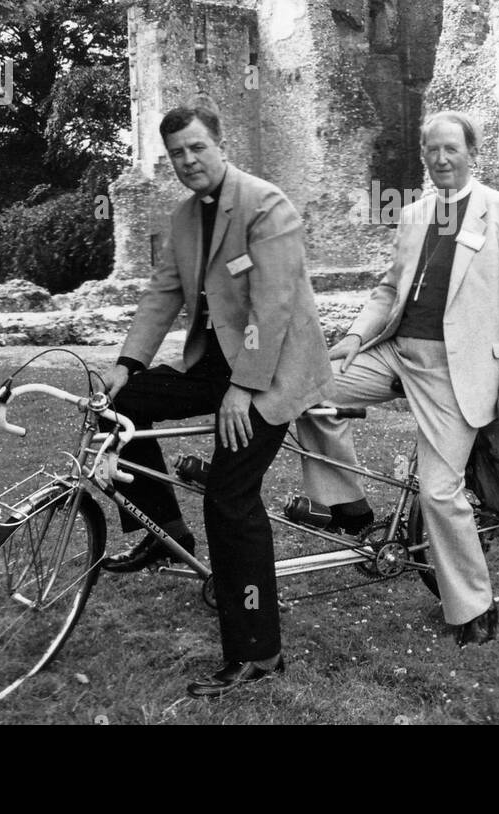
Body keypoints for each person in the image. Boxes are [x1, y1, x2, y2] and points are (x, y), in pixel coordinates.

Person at [96, 97, 336, 696]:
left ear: (220, 145)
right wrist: (128, 364)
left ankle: (259, 654)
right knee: (121, 404)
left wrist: (243, 388)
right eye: (177, 153)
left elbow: (273, 304)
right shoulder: (183, 218)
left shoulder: (265, 204)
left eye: (197, 147)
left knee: (230, 498)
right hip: (219, 362)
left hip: (273, 370)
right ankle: (161, 531)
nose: (188, 160)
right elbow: (162, 295)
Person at [296, 111, 499, 646]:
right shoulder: (414, 215)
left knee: (437, 490)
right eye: (432, 150)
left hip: (456, 372)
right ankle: (348, 505)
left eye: (451, 148)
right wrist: (356, 338)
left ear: (472, 152)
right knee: (301, 386)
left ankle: (475, 607)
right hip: (394, 352)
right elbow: (389, 291)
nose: (441, 159)